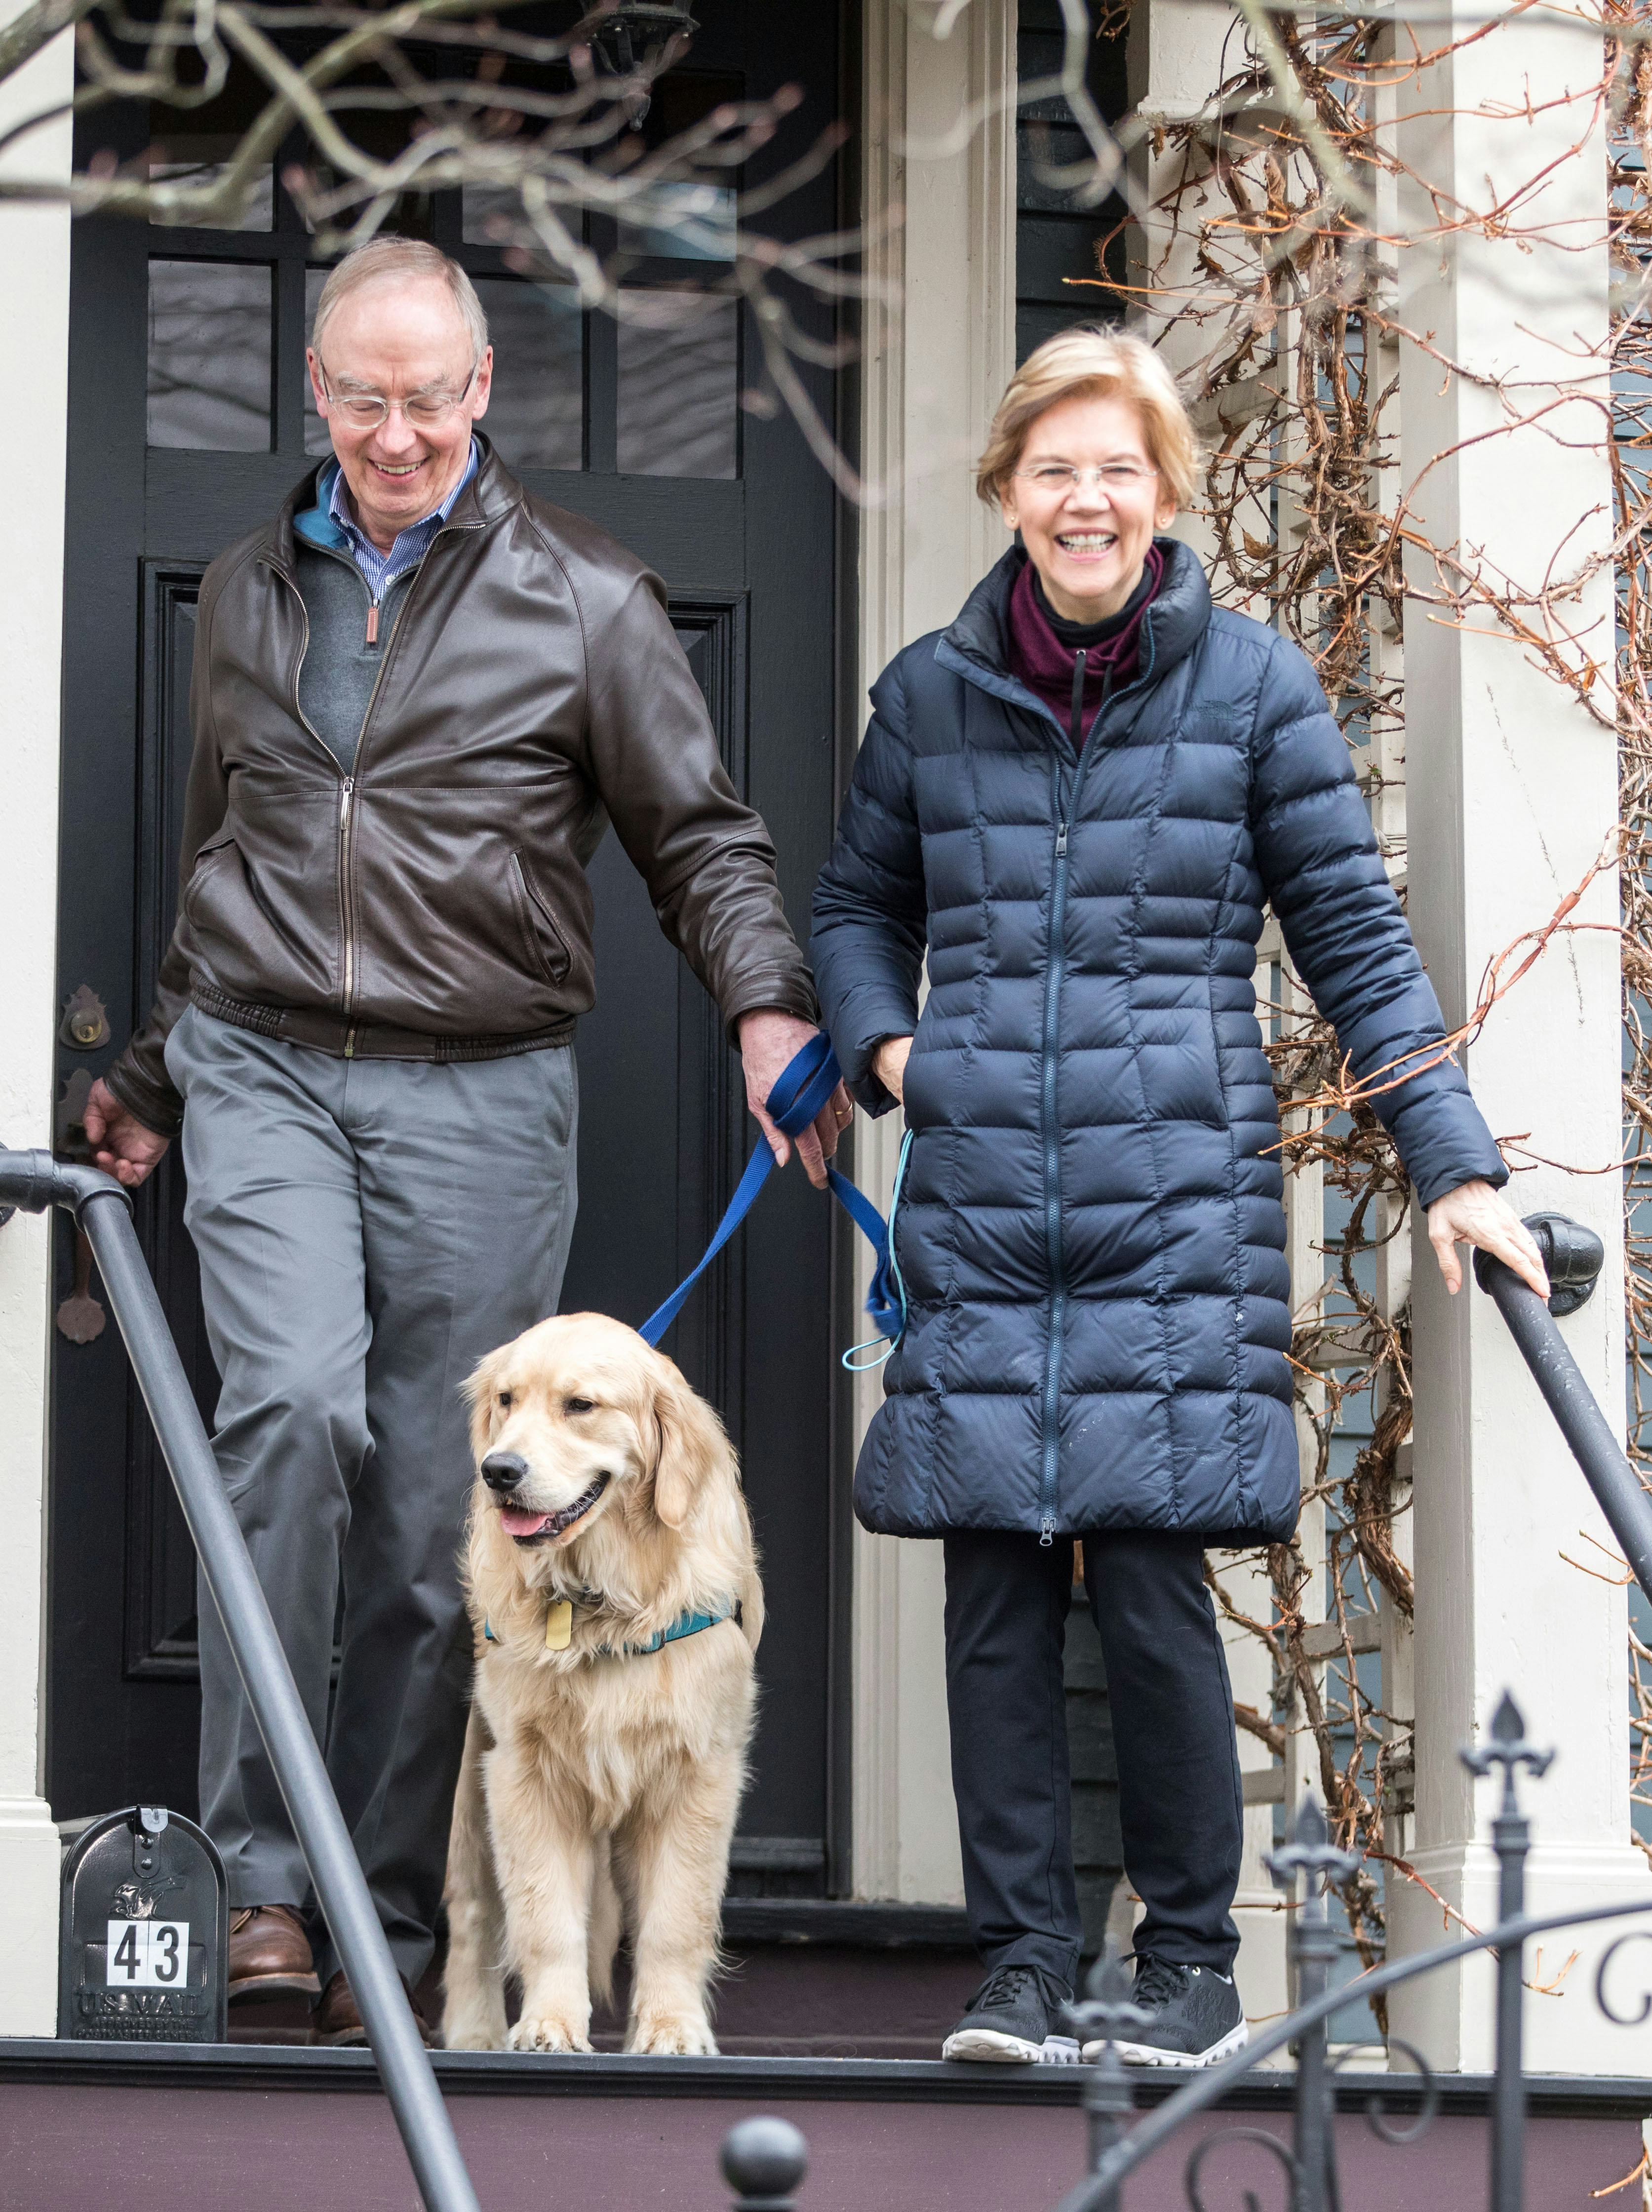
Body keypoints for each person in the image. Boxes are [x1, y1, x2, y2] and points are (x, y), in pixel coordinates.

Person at [83, 236, 848, 2045]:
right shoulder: (247, 592)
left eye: (434, 399)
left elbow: (703, 836)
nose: (402, 433)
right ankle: (262, 1884)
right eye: (368, 398)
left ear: (483, 393)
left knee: (451, 1524)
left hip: (483, 1088)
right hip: (264, 1062)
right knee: (288, 1412)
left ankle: (389, 1906)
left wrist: (766, 1007)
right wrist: (162, 1081)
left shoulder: (588, 597)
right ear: (317, 398)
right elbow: (226, 861)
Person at [810, 326, 1548, 2070]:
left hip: (1177, 1210)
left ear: (1163, 493)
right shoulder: (926, 694)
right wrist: (889, 1059)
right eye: (1053, 469)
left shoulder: (1254, 693)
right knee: (991, 1588)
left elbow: (1354, 942)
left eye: (1117, 468)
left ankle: (1191, 1970)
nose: (1086, 499)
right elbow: (853, 909)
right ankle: (1015, 1971)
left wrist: (1455, 1164)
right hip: (984, 1204)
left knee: (1145, 1584)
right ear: (1007, 491)